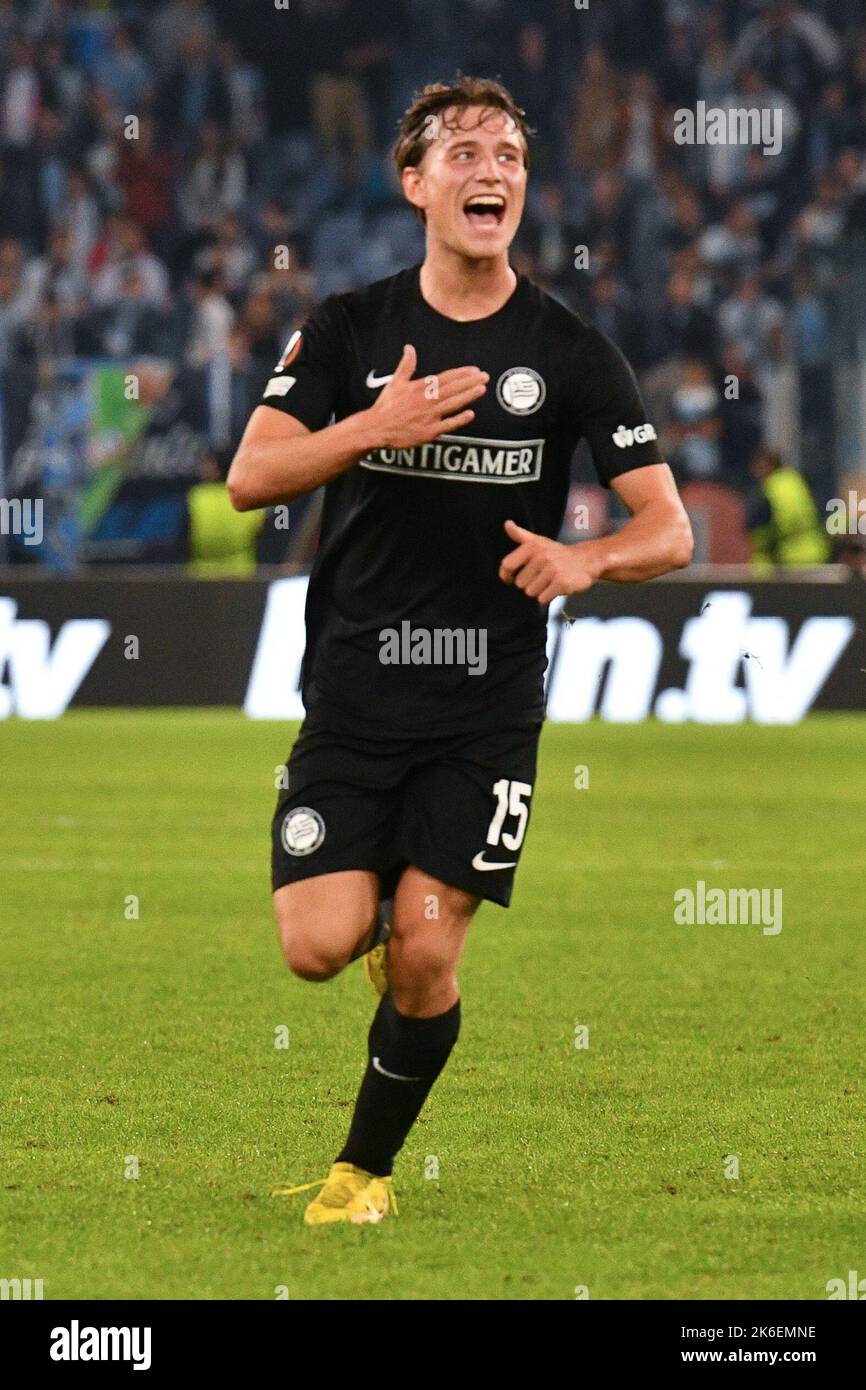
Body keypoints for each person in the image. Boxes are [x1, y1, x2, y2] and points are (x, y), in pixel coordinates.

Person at [227, 76, 693, 1225]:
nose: (490, 170)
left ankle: (362, 1173)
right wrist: (368, 429)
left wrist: (588, 561)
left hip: (484, 707)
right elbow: (249, 478)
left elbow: (666, 527)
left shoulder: (568, 351)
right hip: (350, 687)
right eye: (464, 151)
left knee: (427, 959)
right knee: (317, 946)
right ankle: (384, 908)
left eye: (509, 156)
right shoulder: (345, 326)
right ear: (414, 181)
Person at [746, 445, 830, 569]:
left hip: (789, 557)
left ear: (767, 465)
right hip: (814, 551)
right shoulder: (794, 480)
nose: (754, 470)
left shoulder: (771, 488)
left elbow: (760, 522)